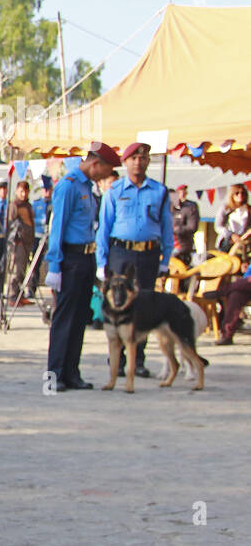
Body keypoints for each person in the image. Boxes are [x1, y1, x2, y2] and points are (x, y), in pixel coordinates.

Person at [45, 142, 121, 391]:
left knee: (80, 318)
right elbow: (57, 227)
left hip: (86, 258)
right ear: (95, 163)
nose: (104, 177)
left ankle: (71, 372)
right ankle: (54, 374)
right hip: (69, 258)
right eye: (106, 170)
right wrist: (54, 265)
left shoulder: (87, 187)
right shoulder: (68, 186)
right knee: (64, 318)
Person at [96, 141, 173, 377]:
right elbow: (104, 229)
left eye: (143, 158)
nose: (138, 163)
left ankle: (137, 360)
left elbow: (167, 228)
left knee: (142, 306)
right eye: (133, 159)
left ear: (148, 161)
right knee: (117, 305)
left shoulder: (159, 191)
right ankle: (116, 360)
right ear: (126, 162)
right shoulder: (115, 192)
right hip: (121, 252)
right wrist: (102, 263)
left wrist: (165, 260)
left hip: (149, 253)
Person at [5, 180, 36, 305]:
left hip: (28, 240)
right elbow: (11, 224)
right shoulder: (14, 205)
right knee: (16, 269)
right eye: (21, 191)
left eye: (26, 191)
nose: (23, 194)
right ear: (17, 191)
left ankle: (20, 295)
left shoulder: (27, 205)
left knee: (23, 269)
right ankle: (13, 295)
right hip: (18, 242)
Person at [215, 183, 250, 260]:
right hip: (227, 242)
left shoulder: (248, 209)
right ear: (232, 194)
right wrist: (231, 235)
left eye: (242, 193)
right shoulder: (226, 208)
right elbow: (218, 226)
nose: (240, 195)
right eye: (237, 193)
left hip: (243, 243)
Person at [171, 184, 200, 268]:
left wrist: (176, 229)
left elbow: (192, 227)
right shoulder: (169, 207)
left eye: (183, 191)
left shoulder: (190, 207)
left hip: (181, 245)